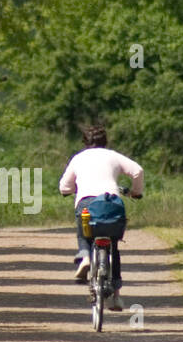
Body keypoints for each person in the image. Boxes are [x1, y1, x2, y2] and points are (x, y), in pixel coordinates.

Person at [58, 125, 144, 311]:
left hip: (87, 203)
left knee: (83, 230)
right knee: (113, 245)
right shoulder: (113, 156)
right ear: (105, 141)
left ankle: (85, 256)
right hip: (111, 202)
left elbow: (64, 187)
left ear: (85, 142)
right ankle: (115, 297)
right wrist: (136, 192)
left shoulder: (78, 158)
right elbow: (137, 171)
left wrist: (74, 190)